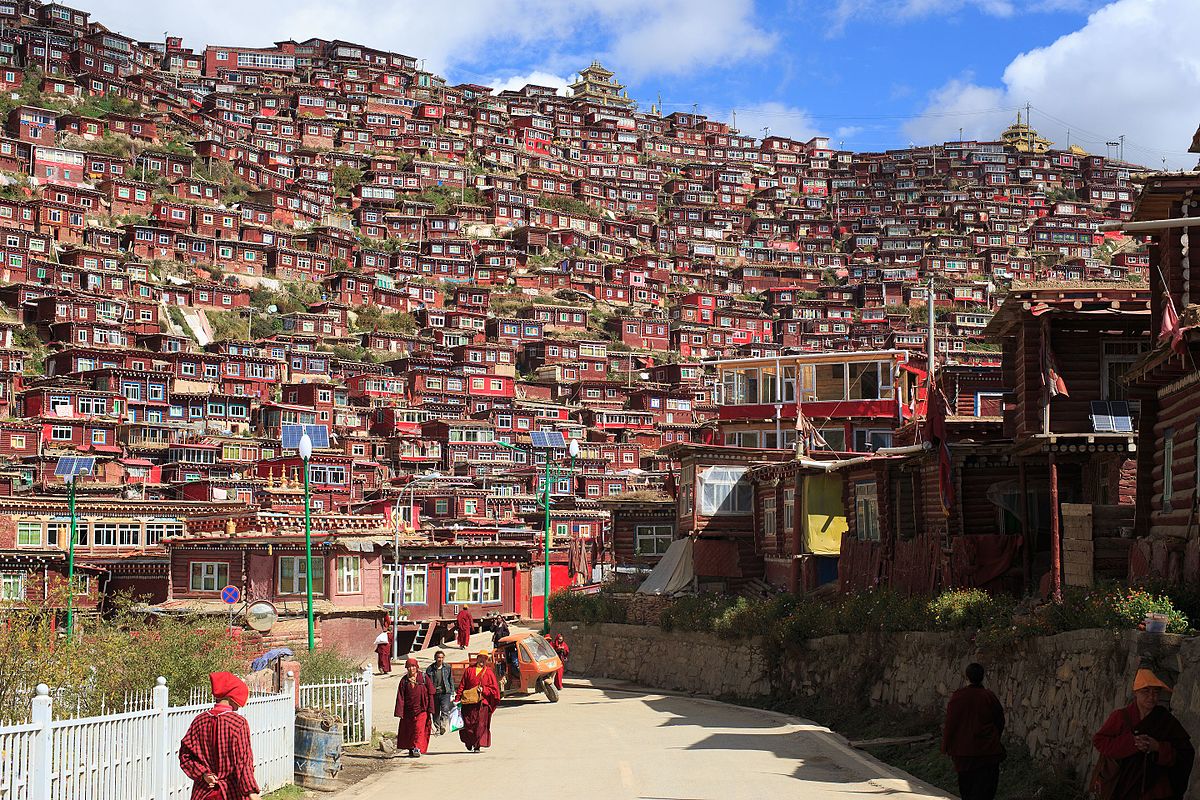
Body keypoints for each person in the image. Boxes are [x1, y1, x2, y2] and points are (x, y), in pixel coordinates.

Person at [1093, 668, 1195, 800]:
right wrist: (1131, 743)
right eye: (1145, 692)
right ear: (1136, 693)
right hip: (1124, 785)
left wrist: (1158, 747)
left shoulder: (1165, 719)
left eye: (1155, 693)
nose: (1151, 697)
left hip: (1157, 789)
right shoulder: (1121, 717)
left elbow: (1185, 752)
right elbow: (1099, 741)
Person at [179, 672, 261, 800]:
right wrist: (251, 792)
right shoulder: (238, 723)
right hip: (230, 793)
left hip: (203, 793)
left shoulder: (199, 721)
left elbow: (185, 756)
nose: (239, 706)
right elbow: (243, 762)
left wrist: (204, 774)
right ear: (232, 697)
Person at [942, 662, 1005, 800]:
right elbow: (1000, 720)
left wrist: (946, 746)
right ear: (983, 677)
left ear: (967, 677)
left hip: (964, 754)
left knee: (968, 791)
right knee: (986, 792)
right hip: (988, 753)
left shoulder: (958, 697)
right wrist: (994, 739)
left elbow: (951, 724)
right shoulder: (989, 697)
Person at [456, 649, 501, 753]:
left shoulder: (489, 673)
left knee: (480, 725)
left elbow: (494, 690)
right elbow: (462, 685)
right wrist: (457, 699)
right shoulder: (469, 670)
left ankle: (477, 745)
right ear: (477, 658)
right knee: (468, 724)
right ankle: (469, 742)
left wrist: (484, 689)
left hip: (482, 703)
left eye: (485, 658)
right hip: (468, 703)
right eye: (481, 657)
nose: (482, 660)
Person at [394, 658, 435, 758]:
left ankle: (417, 747)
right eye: (409, 667)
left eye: (413, 666)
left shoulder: (424, 677)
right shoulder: (404, 680)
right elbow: (400, 697)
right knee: (410, 730)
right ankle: (411, 748)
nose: (411, 669)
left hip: (422, 709)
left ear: (417, 667)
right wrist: (400, 712)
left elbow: (431, 692)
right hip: (408, 710)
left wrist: (431, 708)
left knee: (419, 729)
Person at [426, 649, 455, 735]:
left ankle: (443, 726)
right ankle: (437, 727)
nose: (440, 659)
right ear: (435, 658)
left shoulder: (447, 667)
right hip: (434, 693)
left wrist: (453, 692)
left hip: (445, 692)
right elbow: (427, 682)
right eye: (438, 657)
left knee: (445, 709)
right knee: (435, 712)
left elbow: (450, 680)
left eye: (442, 657)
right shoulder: (430, 669)